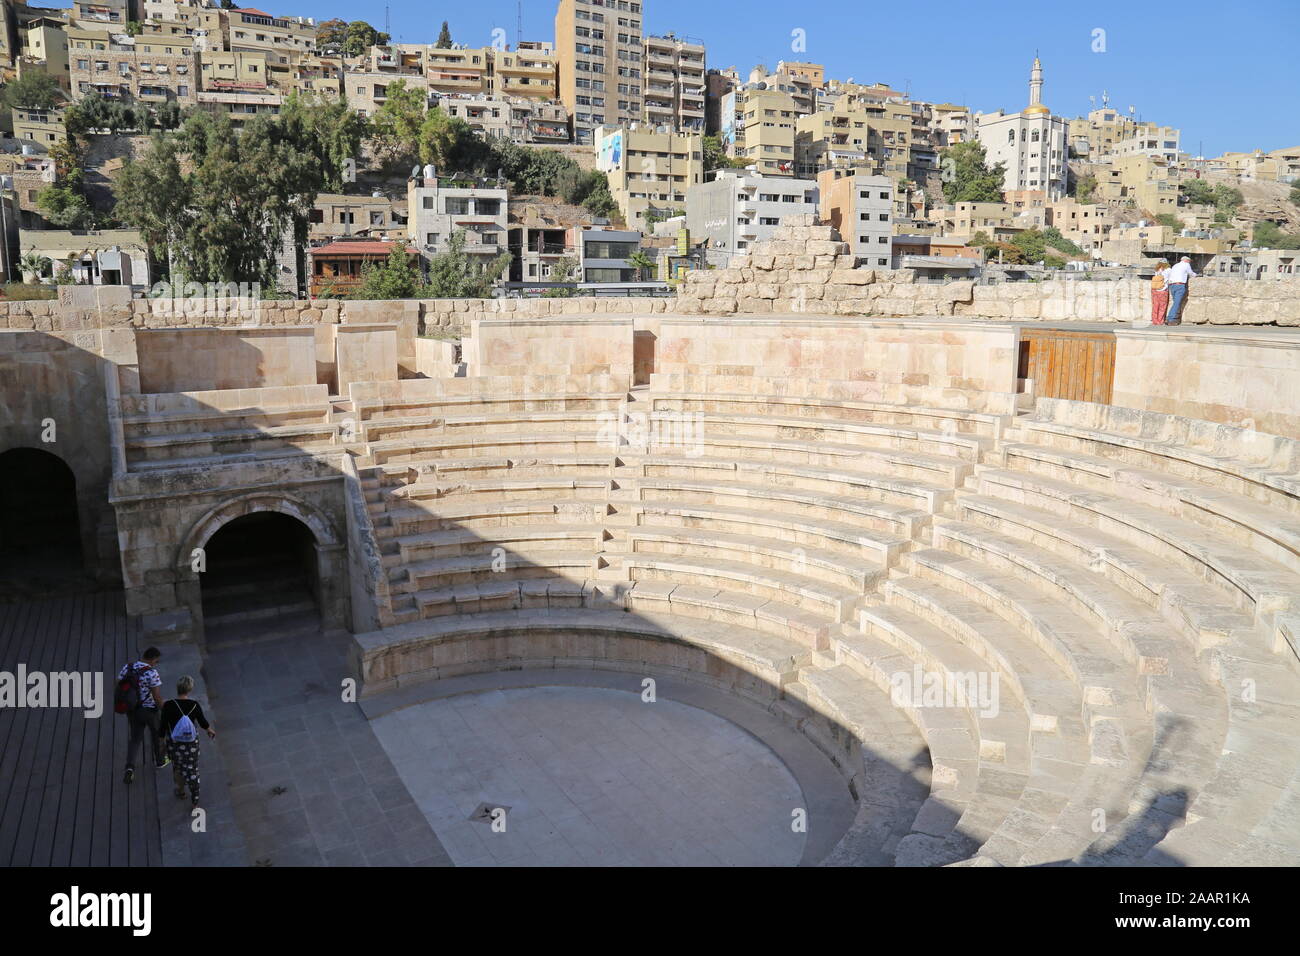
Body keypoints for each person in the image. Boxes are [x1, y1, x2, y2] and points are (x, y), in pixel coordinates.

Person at [160, 676, 216, 808]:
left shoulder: (168, 705)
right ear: (189, 689)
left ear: (177, 688)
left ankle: (181, 791)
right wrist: (209, 730)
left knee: (178, 768)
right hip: (191, 744)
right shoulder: (194, 705)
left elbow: (162, 727)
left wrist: (162, 744)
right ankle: (195, 800)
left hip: (174, 744)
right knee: (192, 769)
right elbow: (202, 722)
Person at [120, 647, 167, 784]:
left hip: (132, 710)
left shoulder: (127, 668)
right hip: (149, 710)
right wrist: (164, 710)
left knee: (135, 738)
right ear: (152, 659)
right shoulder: (152, 673)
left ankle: (129, 768)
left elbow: (119, 685)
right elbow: (157, 697)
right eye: (156, 661)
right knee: (157, 734)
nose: (156, 664)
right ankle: (160, 761)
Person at [1164, 255, 1197, 325]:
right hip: (1179, 285)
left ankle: (1172, 318)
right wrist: (1196, 275)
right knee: (1177, 303)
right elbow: (1191, 273)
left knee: (1175, 302)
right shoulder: (1186, 264)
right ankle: (1170, 319)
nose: (1189, 263)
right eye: (1189, 261)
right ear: (1187, 260)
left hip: (1172, 285)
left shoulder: (1175, 265)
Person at [1150, 260, 1171, 325]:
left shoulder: (1157, 270)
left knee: (1155, 306)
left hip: (1154, 290)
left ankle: (1154, 321)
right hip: (1163, 290)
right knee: (1162, 307)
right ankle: (1160, 321)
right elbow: (1171, 279)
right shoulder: (1169, 270)